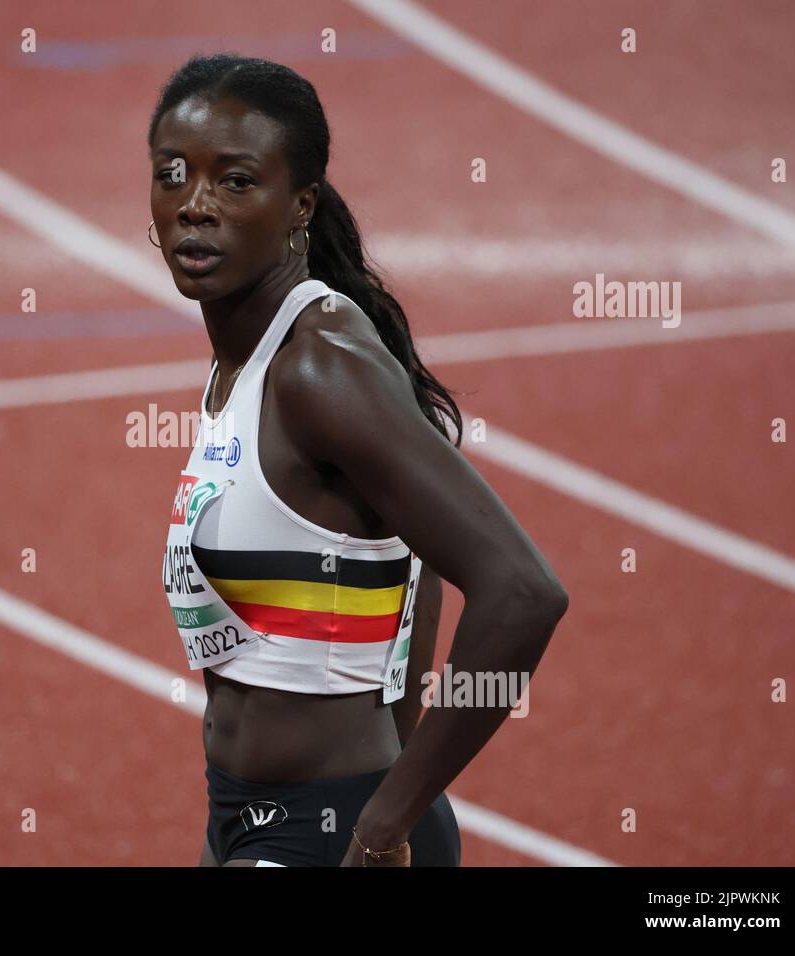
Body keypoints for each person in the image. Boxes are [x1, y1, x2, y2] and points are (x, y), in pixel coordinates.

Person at [152, 54, 569, 867]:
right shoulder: (242, 362)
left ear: (298, 204)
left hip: (327, 832)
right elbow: (417, 556)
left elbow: (523, 592)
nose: (194, 206)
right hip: (249, 817)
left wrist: (382, 823)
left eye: (235, 182)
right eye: (173, 174)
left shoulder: (319, 368)